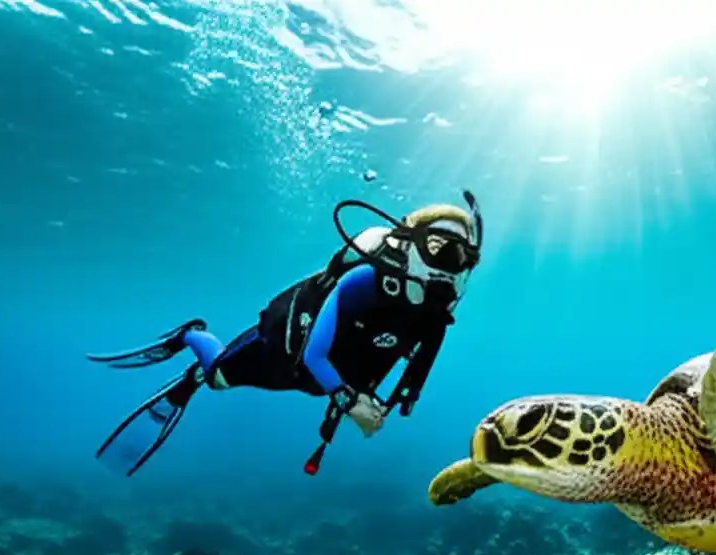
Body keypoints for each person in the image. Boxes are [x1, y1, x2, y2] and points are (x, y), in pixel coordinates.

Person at [88, 190, 485, 477]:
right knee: (217, 379)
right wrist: (349, 402)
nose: (450, 268)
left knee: (228, 381)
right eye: (439, 249)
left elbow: (415, 367)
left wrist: (382, 402)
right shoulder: (364, 281)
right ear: (410, 247)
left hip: (327, 382)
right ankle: (191, 336)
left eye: (463, 258)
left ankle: (197, 362)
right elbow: (313, 355)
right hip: (281, 351)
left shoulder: (434, 314)